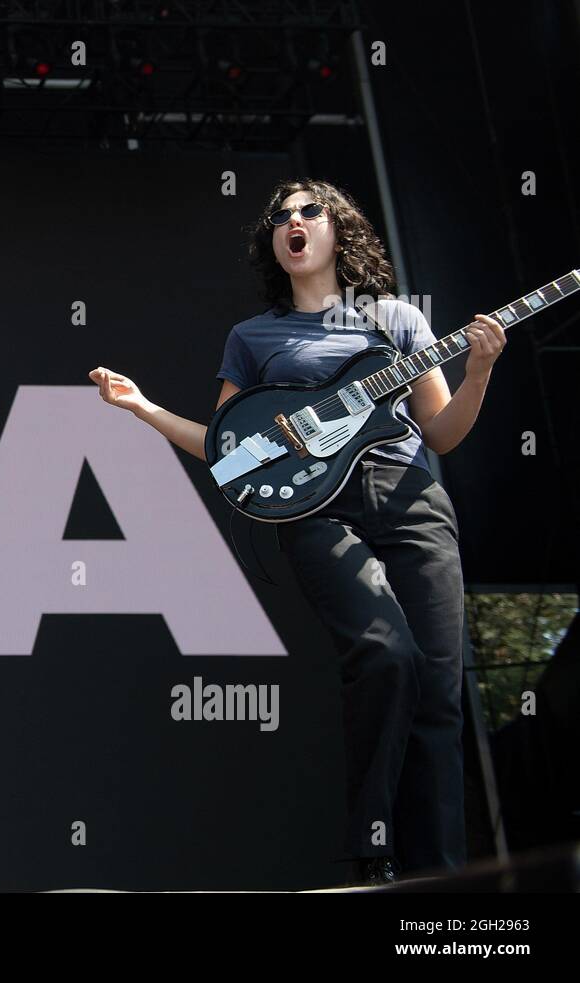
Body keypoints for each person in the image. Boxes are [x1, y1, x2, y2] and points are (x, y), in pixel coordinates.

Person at [89, 179, 506, 885]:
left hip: (411, 502)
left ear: (339, 229)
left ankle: (437, 879)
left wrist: (481, 372)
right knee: (384, 651)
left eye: (310, 210)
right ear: (274, 245)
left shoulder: (397, 321)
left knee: (438, 691)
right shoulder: (253, 339)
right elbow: (231, 457)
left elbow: (440, 431)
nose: (294, 221)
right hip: (318, 512)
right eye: (281, 215)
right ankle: (374, 846)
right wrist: (145, 409)